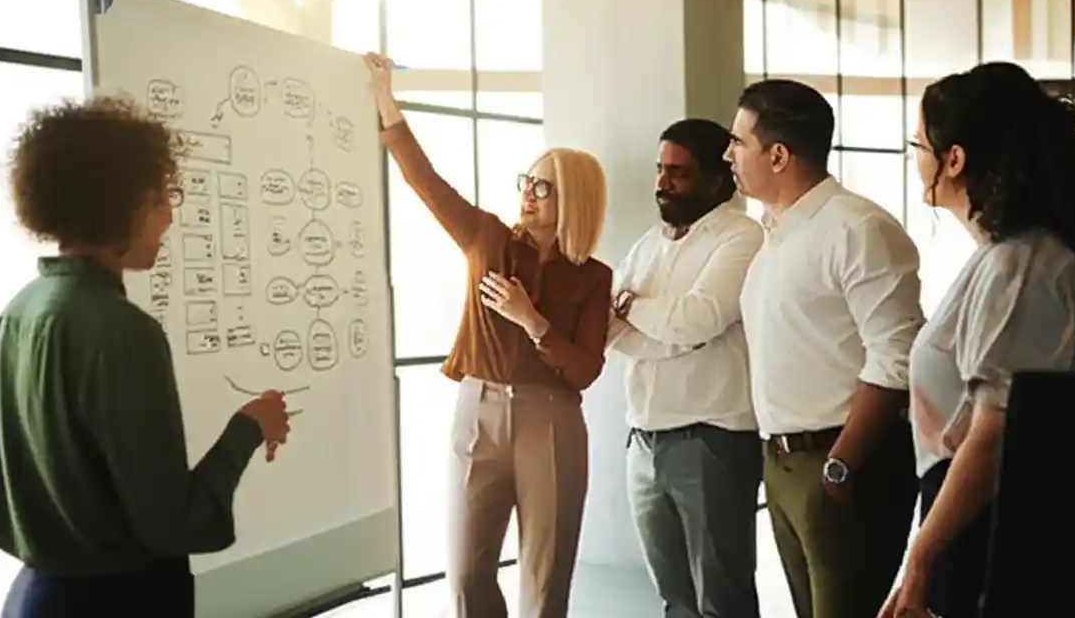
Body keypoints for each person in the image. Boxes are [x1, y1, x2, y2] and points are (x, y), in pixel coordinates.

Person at [0, 97, 291, 618]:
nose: (169, 216)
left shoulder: (19, 312)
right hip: (117, 601)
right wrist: (249, 428)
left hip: (34, 598)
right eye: (158, 199)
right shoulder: (123, 332)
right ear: (117, 204)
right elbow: (172, 523)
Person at [363, 53, 612, 618]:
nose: (529, 193)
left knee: (546, 577)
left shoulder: (593, 277)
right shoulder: (488, 237)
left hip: (552, 420)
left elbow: (585, 370)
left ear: (573, 199)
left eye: (544, 187)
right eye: (528, 181)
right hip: (478, 410)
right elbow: (427, 183)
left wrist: (532, 320)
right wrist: (385, 100)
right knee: (467, 574)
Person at [879, 62, 1075, 618]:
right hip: (972, 511)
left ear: (953, 159)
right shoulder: (1006, 259)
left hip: (991, 520)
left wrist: (922, 558)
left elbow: (995, 431)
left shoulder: (1021, 265)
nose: (915, 159)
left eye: (918, 144)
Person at [724, 79, 923, 618]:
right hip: (783, 461)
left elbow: (898, 355)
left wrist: (841, 465)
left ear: (778, 155)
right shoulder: (776, 235)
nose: (728, 155)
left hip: (845, 462)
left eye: (738, 142)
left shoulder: (857, 228)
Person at [608, 118, 765, 617]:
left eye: (678, 172)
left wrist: (630, 305)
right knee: (674, 601)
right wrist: (668, 334)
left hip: (711, 440)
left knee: (722, 600)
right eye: (660, 169)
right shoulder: (647, 245)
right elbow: (609, 332)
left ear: (716, 180)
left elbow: (698, 319)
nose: (662, 182)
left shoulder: (742, 236)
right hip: (644, 440)